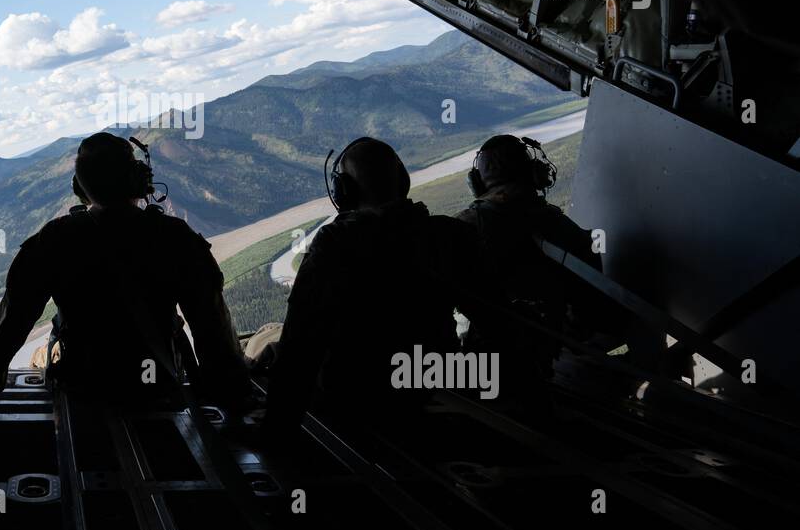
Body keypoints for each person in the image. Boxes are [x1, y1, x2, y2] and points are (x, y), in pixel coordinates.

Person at [0, 133, 250, 408]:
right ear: (139, 181)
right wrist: (233, 396)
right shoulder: (176, 237)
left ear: (79, 187)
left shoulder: (53, 239)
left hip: (83, 388)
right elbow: (213, 329)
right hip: (155, 384)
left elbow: (13, 321)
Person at [262, 137, 480, 437]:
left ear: (345, 192)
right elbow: (494, 317)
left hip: (354, 407)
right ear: (402, 180)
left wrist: (275, 433)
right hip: (434, 394)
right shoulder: (451, 234)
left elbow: (300, 349)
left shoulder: (335, 242)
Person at [456, 135, 658, 384]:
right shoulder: (563, 229)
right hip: (548, 362)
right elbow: (596, 315)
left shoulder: (462, 227)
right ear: (536, 174)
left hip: (485, 366)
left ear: (478, 183)